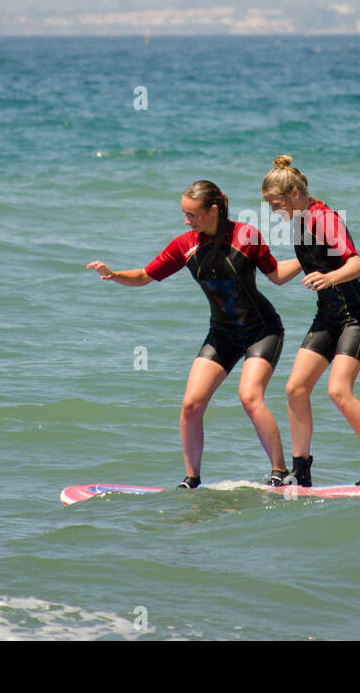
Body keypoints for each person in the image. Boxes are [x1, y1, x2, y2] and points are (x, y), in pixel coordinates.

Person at [87, 180, 302, 488]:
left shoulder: (245, 236)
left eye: (193, 215)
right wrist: (114, 274)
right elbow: (146, 275)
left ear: (214, 211)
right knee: (191, 403)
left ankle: (280, 473)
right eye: (184, 214)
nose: (187, 221)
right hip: (223, 334)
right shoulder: (185, 245)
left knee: (250, 396)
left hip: (262, 330)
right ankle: (192, 479)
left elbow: (276, 275)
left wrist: (308, 259)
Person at [260, 155, 360, 486]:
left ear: (294, 193)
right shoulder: (301, 222)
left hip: (356, 316)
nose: (274, 212)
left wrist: (328, 277)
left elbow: (356, 264)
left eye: (276, 204)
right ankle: (301, 471)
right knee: (295, 388)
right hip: (328, 316)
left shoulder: (325, 218)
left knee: (338, 391)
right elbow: (297, 265)